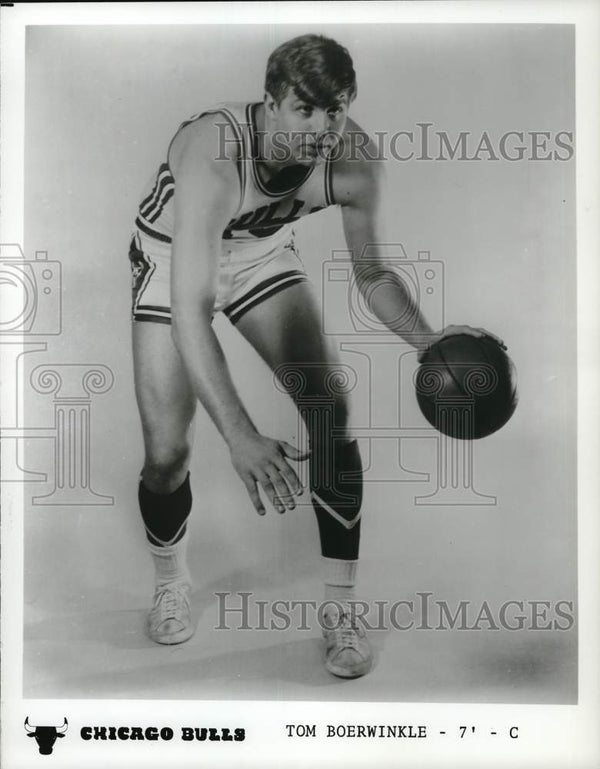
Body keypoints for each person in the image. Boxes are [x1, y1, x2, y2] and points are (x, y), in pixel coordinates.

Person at [129, 33, 496, 679]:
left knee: (330, 411)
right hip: (170, 259)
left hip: (260, 254)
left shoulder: (354, 159)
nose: (323, 128)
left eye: (336, 110)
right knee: (166, 454)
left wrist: (429, 343)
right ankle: (171, 581)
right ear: (270, 103)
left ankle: (340, 608)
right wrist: (240, 436)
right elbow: (191, 311)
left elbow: (373, 274)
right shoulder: (215, 152)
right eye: (305, 110)